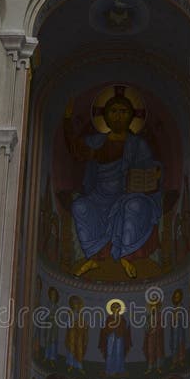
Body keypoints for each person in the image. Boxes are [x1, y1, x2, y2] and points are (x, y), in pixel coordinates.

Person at [64, 90, 161, 279]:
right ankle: (94, 256)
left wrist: (155, 173)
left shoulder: (138, 144)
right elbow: (76, 150)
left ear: (131, 116)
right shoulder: (96, 141)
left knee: (133, 206)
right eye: (113, 111)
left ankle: (127, 256)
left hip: (130, 194)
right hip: (100, 195)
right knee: (79, 206)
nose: (118, 115)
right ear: (105, 116)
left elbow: (150, 170)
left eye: (123, 111)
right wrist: (67, 119)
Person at [98, 299, 132, 376]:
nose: (115, 309)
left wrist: (125, 327)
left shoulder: (122, 319)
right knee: (109, 353)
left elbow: (125, 328)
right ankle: (109, 370)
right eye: (113, 307)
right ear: (111, 309)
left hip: (119, 338)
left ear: (120, 309)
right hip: (110, 338)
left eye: (117, 307)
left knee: (119, 353)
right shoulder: (109, 318)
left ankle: (119, 370)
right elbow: (105, 328)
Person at [65, 295, 88, 373]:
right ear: (72, 304)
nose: (76, 305)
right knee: (72, 349)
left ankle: (79, 366)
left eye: (77, 303)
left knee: (79, 350)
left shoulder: (81, 314)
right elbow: (68, 324)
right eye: (74, 303)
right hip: (72, 334)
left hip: (79, 335)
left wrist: (85, 326)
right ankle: (71, 365)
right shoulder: (70, 313)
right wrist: (74, 324)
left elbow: (83, 324)